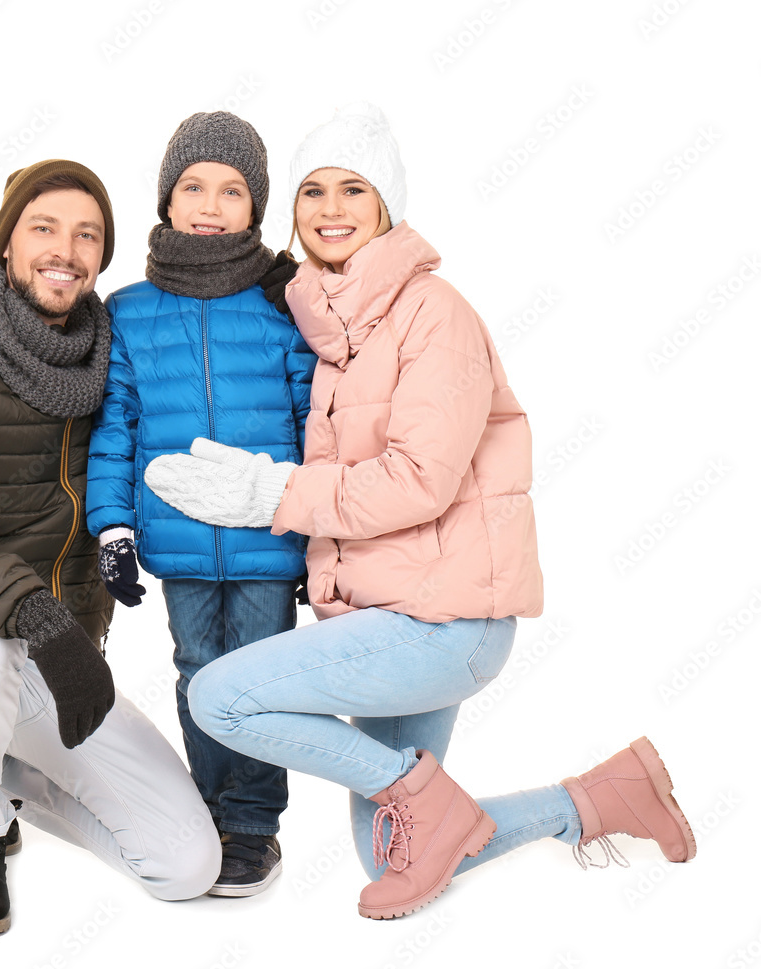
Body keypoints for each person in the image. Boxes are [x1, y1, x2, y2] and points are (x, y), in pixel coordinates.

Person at [144, 104, 696, 920]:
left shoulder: (433, 313)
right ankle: (602, 798)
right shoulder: (339, 326)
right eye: (313, 192)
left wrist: (276, 495)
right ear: (291, 216)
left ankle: (423, 795)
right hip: (387, 617)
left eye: (353, 190)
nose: (331, 209)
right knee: (392, 854)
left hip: (445, 623)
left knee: (219, 696)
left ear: (386, 208)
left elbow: (419, 480)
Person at [0, 159, 220, 935]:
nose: (66, 249)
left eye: (87, 235)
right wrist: (32, 610)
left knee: (188, 865)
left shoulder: (103, 359)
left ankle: (2, 776)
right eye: (45, 228)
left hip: (51, 661)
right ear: (8, 242)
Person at [86, 111, 316, 897]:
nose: (210, 203)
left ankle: (253, 823)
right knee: (197, 667)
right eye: (193, 185)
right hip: (178, 536)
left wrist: (322, 533)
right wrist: (113, 524)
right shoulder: (131, 310)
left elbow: (315, 418)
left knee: (259, 676)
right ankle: (211, 812)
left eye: (231, 189)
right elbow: (115, 424)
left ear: (256, 207)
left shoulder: (286, 305)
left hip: (267, 532)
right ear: (166, 198)